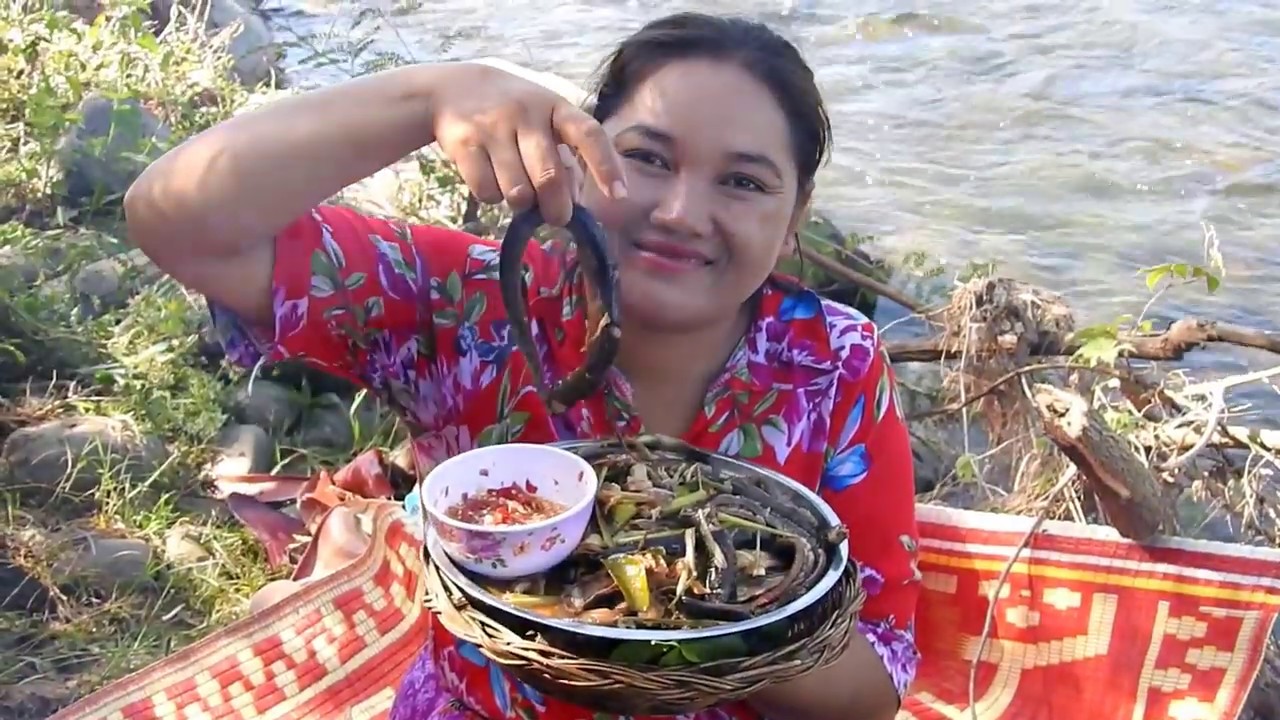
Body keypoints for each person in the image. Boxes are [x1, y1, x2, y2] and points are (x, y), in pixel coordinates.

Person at [125, 11, 920, 720]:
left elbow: (877, 679)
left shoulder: (832, 365)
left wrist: (706, 620)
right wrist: (434, 95)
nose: (681, 213)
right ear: (573, 160)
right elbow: (178, 218)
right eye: (644, 158)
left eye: (743, 182)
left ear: (792, 223)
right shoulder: (462, 306)